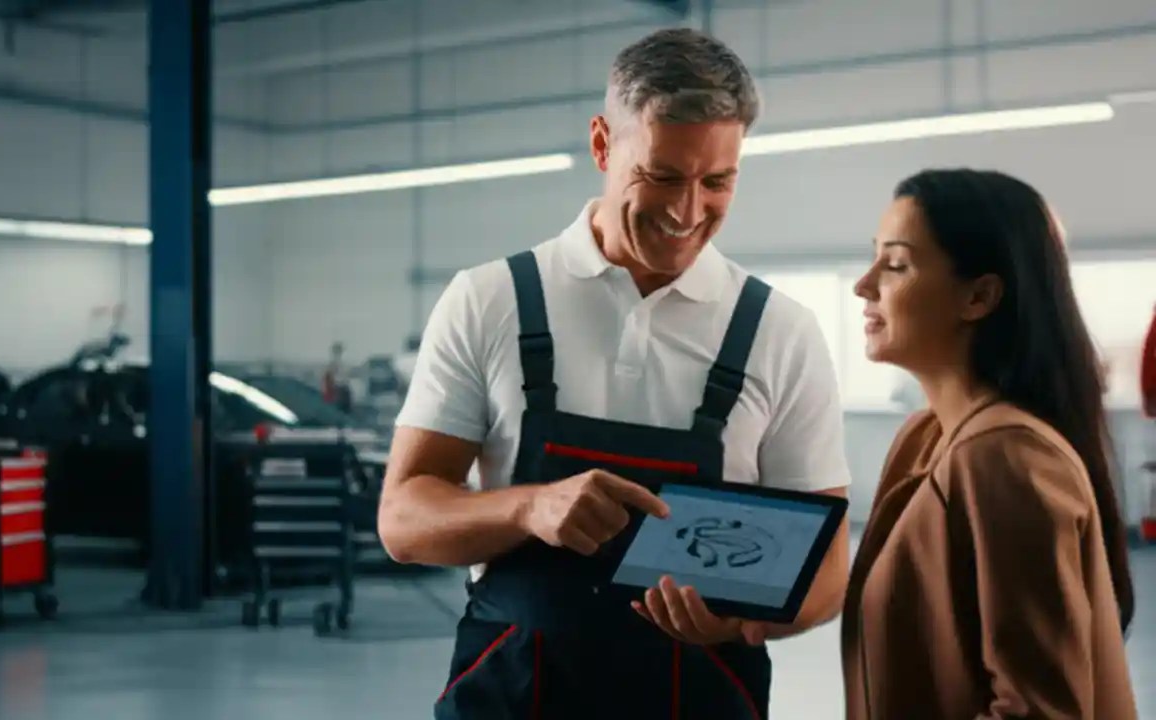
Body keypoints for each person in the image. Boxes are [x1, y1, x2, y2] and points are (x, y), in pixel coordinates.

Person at [379, 28, 852, 719]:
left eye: (717, 182)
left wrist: (738, 624)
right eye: (661, 176)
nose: (687, 212)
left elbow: (828, 570)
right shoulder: (491, 300)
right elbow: (403, 519)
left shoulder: (780, 333)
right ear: (603, 144)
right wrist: (527, 507)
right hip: (513, 693)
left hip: (702, 693)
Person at [842, 168, 1138, 719]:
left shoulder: (1004, 456)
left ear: (979, 296)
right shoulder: (924, 437)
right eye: (874, 258)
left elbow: (1038, 712)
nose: (864, 284)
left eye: (897, 264)